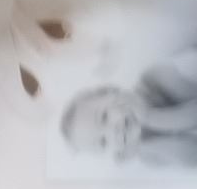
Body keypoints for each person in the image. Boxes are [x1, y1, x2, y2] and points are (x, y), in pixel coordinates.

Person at [61, 47, 197, 167]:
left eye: (104, 117)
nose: (113, 132)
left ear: (112, 91)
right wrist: (145, 146)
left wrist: (151, 117)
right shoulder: (147, 154)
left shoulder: (154, 78)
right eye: (103, 142)